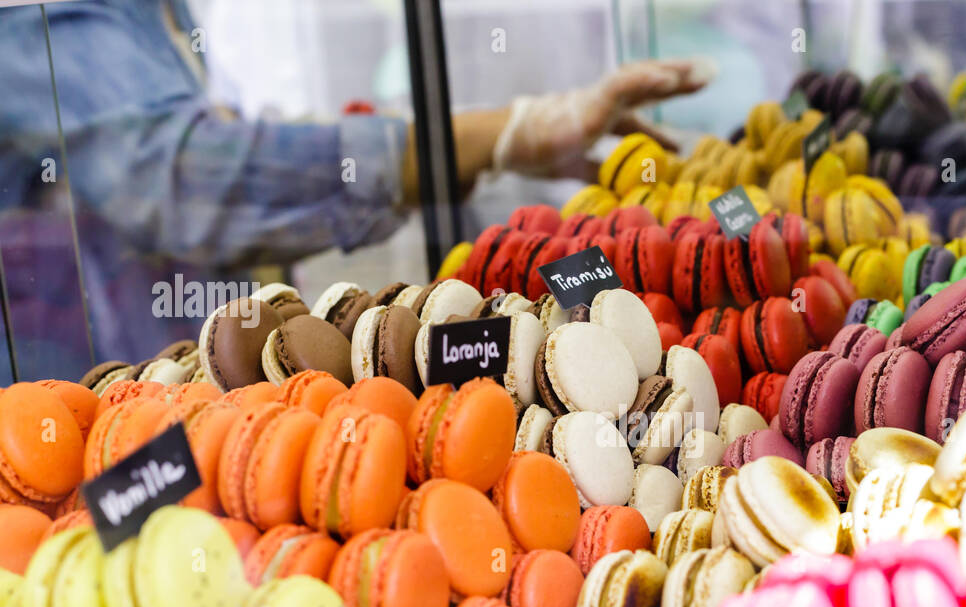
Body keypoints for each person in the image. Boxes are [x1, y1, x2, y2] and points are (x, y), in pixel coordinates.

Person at [0, 0, 710, 381]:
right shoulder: (48, 14)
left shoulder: (166, 13)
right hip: (75, 419)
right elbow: (189, 179)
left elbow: (229, 139)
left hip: (193, 383)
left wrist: (491, 141)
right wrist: (504, 133)